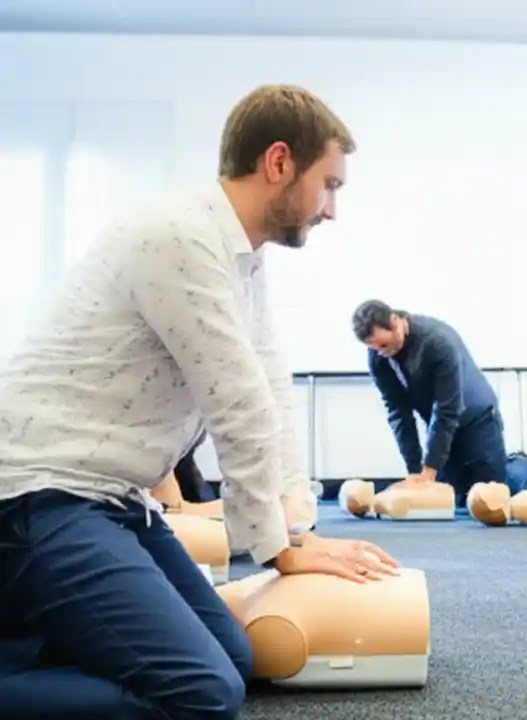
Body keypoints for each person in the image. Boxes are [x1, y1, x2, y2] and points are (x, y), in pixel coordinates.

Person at [0, 84, 400, 719]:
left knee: (235, 657)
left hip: (113, 500)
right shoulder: (179, 237)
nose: (332, 210)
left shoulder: (241, 257)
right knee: (201, 694)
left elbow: (269, 383)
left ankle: (26, 637)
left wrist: (296, 524)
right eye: (329, 185)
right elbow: (237, 403)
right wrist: (279, 549)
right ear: (278, 162)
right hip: (38, 498)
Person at [352, 300, 511, 504]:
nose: (382, 353)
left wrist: (430, 469)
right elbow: (398, 413)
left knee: (491, 495)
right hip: (441, 425)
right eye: (374, 348)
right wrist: (414, 470)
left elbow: (447, 409)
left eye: (384, 345)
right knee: (456, 499)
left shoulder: (437, 342)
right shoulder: (378, 357)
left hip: (477, 418)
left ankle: (519, 465)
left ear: (395, 322)